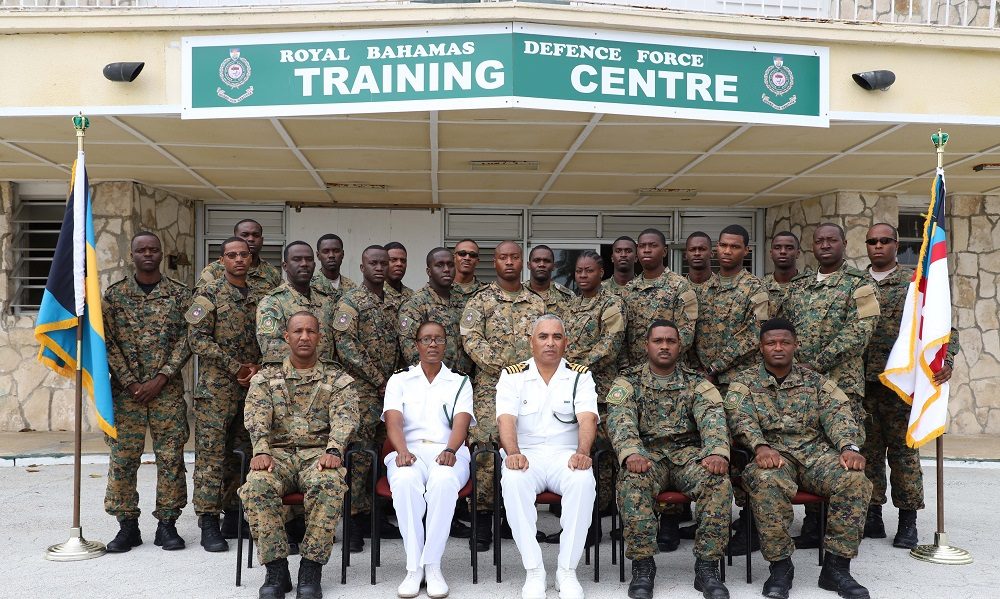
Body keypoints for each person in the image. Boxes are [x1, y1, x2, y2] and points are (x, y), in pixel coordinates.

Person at [728, 318, 872, 599]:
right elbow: (739, 419)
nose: (778, 348)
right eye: (771, 343)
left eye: (784, 342)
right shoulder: (743, 384)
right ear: (761, 347)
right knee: (766, 481)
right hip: (773, 457)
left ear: (796, 346)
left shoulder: (817, 382)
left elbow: (839, 415)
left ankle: (836, 568)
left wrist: (848, 447)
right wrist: (759, 447)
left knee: (854, 480)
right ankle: (781, 568)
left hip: (815, 455)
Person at [607, 320, 731, 599]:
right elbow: (620, 421)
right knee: (632, 480)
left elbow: (713, 418)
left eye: (671, 341)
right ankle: (643, 566)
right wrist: (631, 452)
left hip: (688, 456)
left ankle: (708, 567)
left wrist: (716, 451)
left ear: (679, 345)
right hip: (647, 456)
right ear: (646, 345)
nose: (664, 346)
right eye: (658, 341)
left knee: (717, 480)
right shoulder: (628, 382)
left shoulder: (697, 383)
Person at [239, 311, 359, 599]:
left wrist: (334, 449)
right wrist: (261, 450)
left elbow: (346, 418)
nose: (304, 337)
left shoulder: (337, 379)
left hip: (318, 455)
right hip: (276, 456)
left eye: (310, 331)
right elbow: (256, 416)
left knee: (329, 484)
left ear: (319, 337)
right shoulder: (266, 378)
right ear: (286, 337)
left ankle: (311, 568)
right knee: (256, 486)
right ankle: (276, 571)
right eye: (298, 332)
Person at [777, 222, 879, 548]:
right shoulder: (799, 285)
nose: (824, 245)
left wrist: (815, 365)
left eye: (831, 240)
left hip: (841, 387)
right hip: (799, 390)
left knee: (841, 454)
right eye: (819, 240)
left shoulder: (861, 285)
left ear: (844, 244)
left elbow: (860, 330)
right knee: (809, 452)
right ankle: (812, 527)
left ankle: (840, 534)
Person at [860, 223, 959, 548]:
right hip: (863, 385)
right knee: (868, 454)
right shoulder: (856, 284)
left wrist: (947, 360)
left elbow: (943, 327)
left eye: (884, 241)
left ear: (896, 244)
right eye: (872, 241)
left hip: (903, 386)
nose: (878, 246)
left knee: (904, 456)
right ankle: (871, 515)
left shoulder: (915, 283)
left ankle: (908, 520)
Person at [497, 315, 598, 599]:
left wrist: (582, 453)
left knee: (582, 482)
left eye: (556, 337)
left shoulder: (580, 376)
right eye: (543, 337)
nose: (550, 343)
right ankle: (534, 571)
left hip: (565, 455)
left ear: (566, 342)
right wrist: (513, 453)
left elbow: (588, 418)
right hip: (526, 454)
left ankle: (567, 571)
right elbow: (505, 420)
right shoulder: (512, 375)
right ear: (531, 342)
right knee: (513, 480)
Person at [103, 232, 191, 552]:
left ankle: (167, 524)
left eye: (153, 249)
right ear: (132, 255)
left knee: (171, 458)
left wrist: (163, 377)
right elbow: (107, 342)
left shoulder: (180, 295)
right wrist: (129, 381)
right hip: (126, 394)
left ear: (161, 254)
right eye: (141, 250)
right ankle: (127, 526)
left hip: (165, 392)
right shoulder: (114, 297)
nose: (148, 254)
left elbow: (188, 339)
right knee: (123, 458)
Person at [461, 240, 546, 550]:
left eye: (514, 257)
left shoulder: (536, 303)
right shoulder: (480, 301)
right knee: (485, 449)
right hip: (489, 388)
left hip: (530, 389)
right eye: (502, 257)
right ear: (494, 262)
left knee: (525, 446)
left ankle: (517, 521)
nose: (509, 262)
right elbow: (471, 341)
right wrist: (510, 368)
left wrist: (525, 371)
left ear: (521, 262)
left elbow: (546, 340)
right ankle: (482, 523)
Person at [384, 321, 475, 599]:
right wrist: (401, 451)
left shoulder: (460, 381)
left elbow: (461, 423)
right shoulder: (399, 380)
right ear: (417, 345)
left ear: (446, 344)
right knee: (405, 481)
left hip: (448, 451)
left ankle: (433, 565)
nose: (432, 344)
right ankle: (414, 568)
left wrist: (450, 449)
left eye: (438, 339)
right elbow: (394, 422)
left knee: (444, 482)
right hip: (407, 449)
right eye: (426, 339)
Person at [187, 237, 264, 551]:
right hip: (217, 389)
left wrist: (258, 368)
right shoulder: (208, 293)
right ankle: (208, 520)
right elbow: (197, 339)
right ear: (222, 261)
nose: (239, 260)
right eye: (232, 255)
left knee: (241, 453)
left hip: (251, 389)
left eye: (243, 255)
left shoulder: (261, 295)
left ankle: (234, 514)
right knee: (211, 457)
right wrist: (235, 366)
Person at [333, 244, 402, 551]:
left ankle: (375, 515)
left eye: (383, 263)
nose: (379, 267)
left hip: (390, 393)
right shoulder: (350, 303)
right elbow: (346, 347)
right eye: (372, 263)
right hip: (362, 392)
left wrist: (395, 381)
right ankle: (352, 521)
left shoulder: (396, 303)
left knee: (381, 455)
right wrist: (379, 379)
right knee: (358, 457)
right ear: (362, 268)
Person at [564, 251, 625, 529]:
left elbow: (610, 344)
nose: (583, 276)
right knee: (583, 453)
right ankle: (587, 521)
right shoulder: (570, 306)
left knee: (606, 453)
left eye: (589, 270)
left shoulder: (612, 303)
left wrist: (578, 366)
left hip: (601, 392)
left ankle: (611, 515)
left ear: (602, 272)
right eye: (579, 271)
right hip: (572, 392)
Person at [622, 228, 698, 368]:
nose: (647, 250)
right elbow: (623, 335)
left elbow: (686, 333)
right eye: (642, 246)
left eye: (653, 245)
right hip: (636, 371)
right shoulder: (629, 289)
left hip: (670, 369)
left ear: (664, 251)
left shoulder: (680, 286)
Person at [257, 241, 337, 364]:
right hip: (290, 378)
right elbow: (271, 347)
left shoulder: (326, 301)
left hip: (327, 378)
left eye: (309, 259)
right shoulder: (272, 302)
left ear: (315, 265)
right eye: (297, 259)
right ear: (285, 266)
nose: (304, 264)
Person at [399, 247, 474, 375]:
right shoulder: (414, 304)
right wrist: (436, 375)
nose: (446, 269)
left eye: (450, 265)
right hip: (432, 379)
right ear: (429, 271)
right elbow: (409, 347)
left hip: (464, 379)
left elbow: (472, 337)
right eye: (439, 265)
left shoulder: (465, 300)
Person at [198, 218, 282, 294]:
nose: (251, 239)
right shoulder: (214, 270)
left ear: (262, 240)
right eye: (245, 235)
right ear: (235, 238)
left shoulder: (271, 272)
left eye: (256, 235)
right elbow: (199, 299)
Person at [763, 232, 806, 318]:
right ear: (771, 253)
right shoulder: (760, 287)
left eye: (789, 248)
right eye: (777, 248)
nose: (783, 251)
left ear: (797, 253)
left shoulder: (810, 286)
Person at [524, 245, 574, 318]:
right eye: (537, 260)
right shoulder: (517, 293)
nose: (541, 264)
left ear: (554, 266)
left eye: (547, 261)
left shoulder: (568, 297)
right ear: (529, 265)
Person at [311, 233, 357, 304]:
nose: (331, 255)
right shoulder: (310, 286)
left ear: (342, 254)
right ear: (318, 255)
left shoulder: (352, 287)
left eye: (336, 251)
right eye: (326, 251)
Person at [452, 239, 483, 303]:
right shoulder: (441, 289)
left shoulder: (485, 291)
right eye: (462, 253)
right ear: (454, 258)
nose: (467, 258)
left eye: (472, 255)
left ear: (477, 261)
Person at [385, 241, 414, 305]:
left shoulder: (413, 296)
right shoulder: (376, 294)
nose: (399, 264)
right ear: (383, 263)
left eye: (403, 260)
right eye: (393, 260)